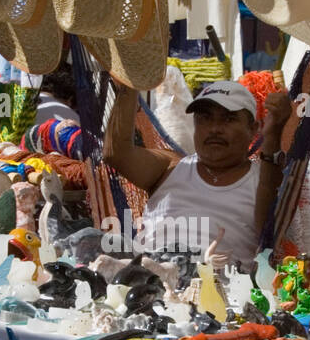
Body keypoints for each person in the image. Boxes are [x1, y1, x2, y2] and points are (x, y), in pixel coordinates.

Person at [103, 79, 292, 267]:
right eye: (205, 119)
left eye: (229, 119)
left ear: (253, 130)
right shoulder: (170, 168)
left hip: (221, 292)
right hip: (150, 284)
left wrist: (273, 135)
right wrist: (130, 80)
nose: (215, 129)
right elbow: (115, 153)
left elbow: (269, 235)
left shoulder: (264, 181)